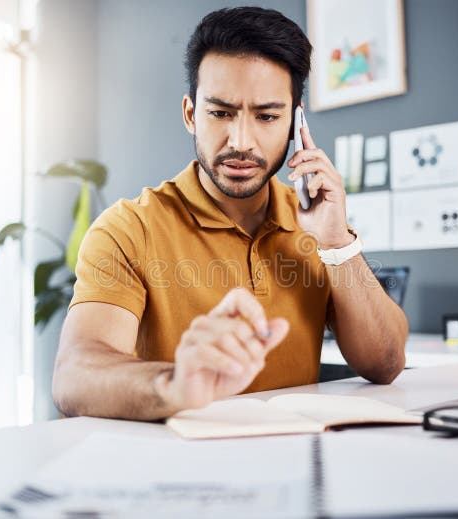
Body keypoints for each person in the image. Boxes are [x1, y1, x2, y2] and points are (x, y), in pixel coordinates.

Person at [52, 6, 408, 421]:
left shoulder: (316, 225)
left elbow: (384, 364)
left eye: (266, 116)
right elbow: (75, 376)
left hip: (295, 468)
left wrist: (336, 244)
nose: (241, 140)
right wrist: (178, 384)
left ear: (295, 122)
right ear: (190, 114)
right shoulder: (128, 229)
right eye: (220, 113)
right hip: (178, 471)